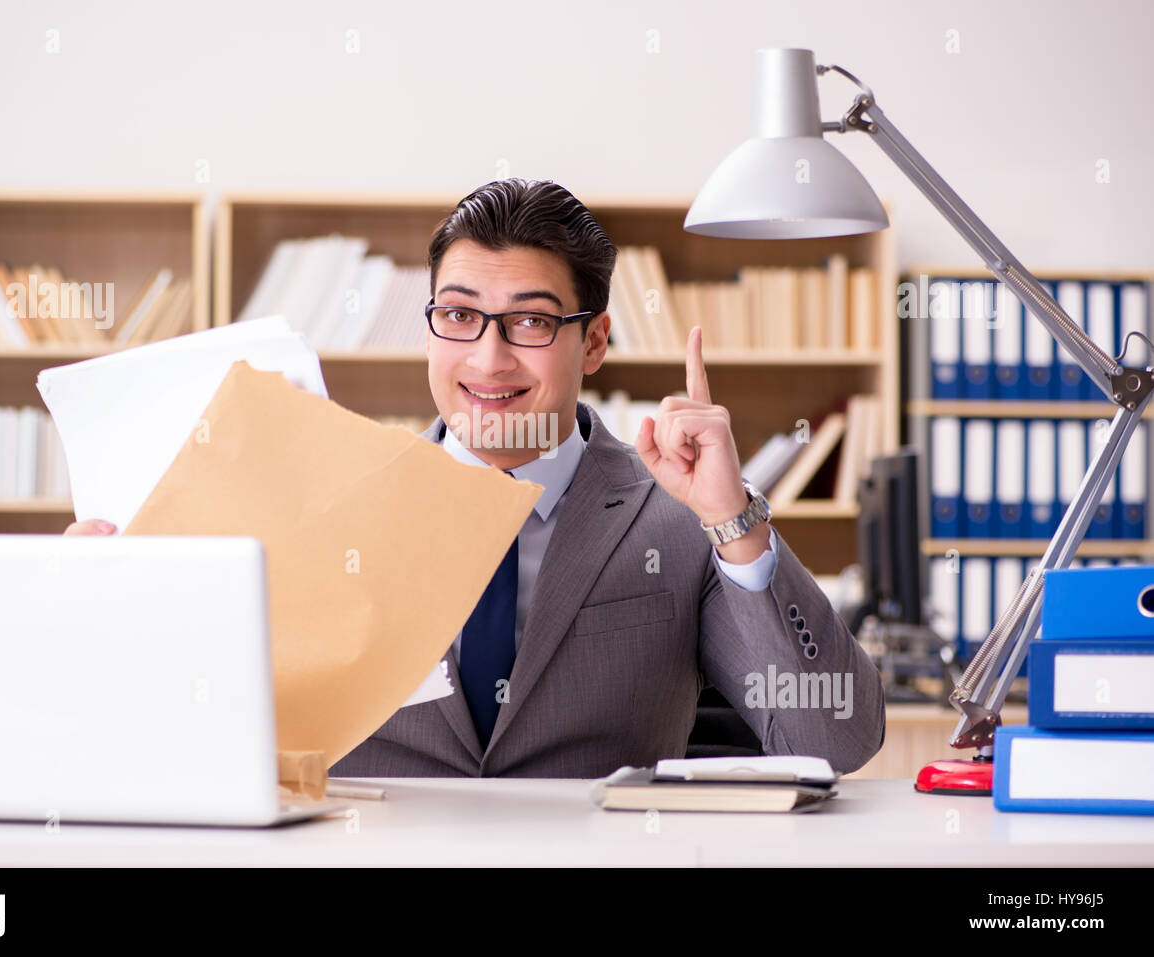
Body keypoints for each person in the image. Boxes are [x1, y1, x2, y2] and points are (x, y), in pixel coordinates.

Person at [68, 178, 886, 778]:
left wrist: (735, 521)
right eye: (458, 316)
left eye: (530, 321)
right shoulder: (333, 494)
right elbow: (181, 731)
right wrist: (108, 607)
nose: (488, 360)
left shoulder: (673, 515)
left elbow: (836, 741)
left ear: (594, 342)